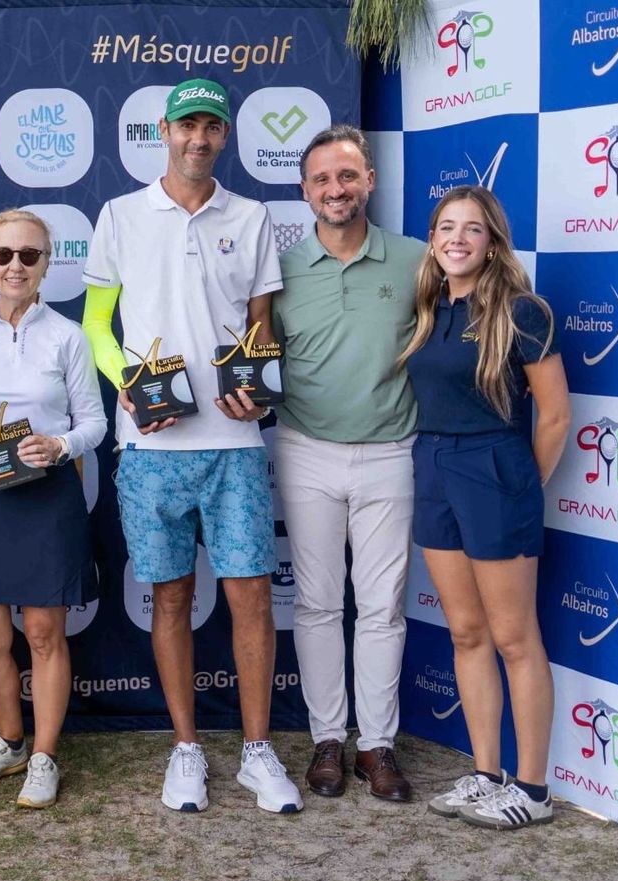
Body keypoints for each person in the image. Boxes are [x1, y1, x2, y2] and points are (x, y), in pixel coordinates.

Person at [80, 78, 303, 814]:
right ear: (164, 133)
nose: (198, 138)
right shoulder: (120, 215)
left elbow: (260, 325)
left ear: (225, 135)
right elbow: (96, 325)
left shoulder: (252, 215)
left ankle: (257, 751)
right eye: (186, 126)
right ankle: (186, 748)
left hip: (235, 441)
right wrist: (128, 386)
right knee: (170, 597)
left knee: (251, 597)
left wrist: (257, 388)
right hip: (151, 445)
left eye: (211, 126)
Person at [400, 186, 569, 829]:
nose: (457, 239)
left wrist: (521, 484)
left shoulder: (522, 311)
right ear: (432, 240)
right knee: (466, 633)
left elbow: (554, 415)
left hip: (494, 467)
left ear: (493, 241)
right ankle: (486, 774)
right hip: (433, 465)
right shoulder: (430, 306)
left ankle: (533, 790)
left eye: (473, 228)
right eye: (446, 227)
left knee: (515, 638)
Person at [272, 125, 426, 802]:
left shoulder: (417, 260)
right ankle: (328, 737)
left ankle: (377, 744)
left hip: (391, 450)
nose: (335, 189)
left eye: (347, 175)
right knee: (315, 603)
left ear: (369, 181)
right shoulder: (278, 269)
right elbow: (256, 357)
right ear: (305, 191)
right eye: (322, 179)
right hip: (305, 448)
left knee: (383, 607)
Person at [0, 209, 106, 809]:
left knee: (41, 632)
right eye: (4, 254)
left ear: (47, 263)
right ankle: (10, 741)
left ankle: (44, 754)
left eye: (29, 255)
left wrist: (59, 445)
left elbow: (94, 423)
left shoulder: (68, 335)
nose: (16, 266)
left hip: (46, 493)